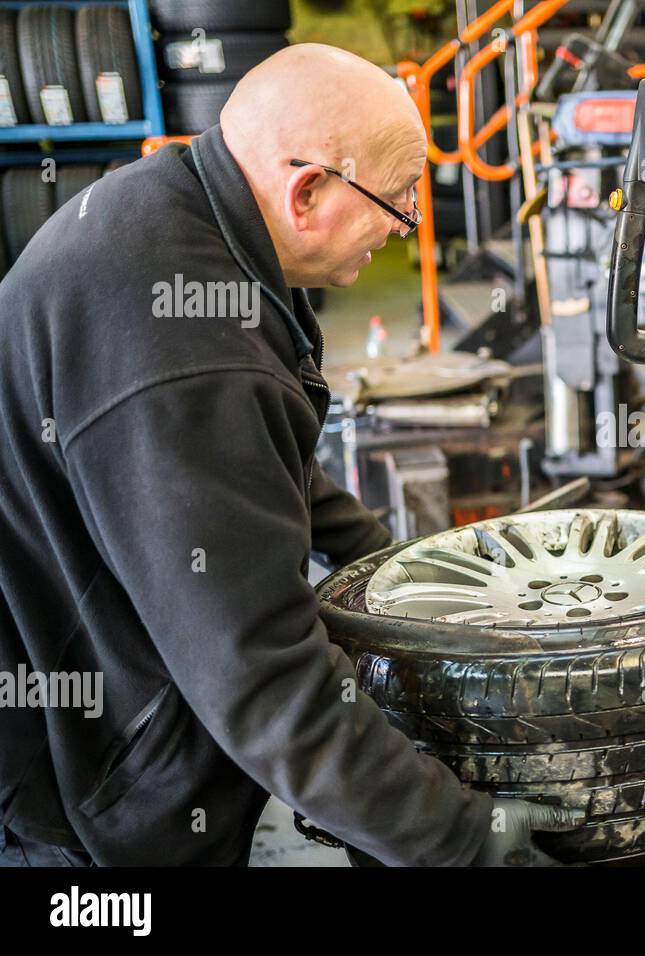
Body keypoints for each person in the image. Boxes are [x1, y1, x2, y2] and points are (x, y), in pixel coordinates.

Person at [0, 43, 580, 866]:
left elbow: (262, 467)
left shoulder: (188, 216)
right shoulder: (189, 357)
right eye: (398, 203)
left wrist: (402, 571)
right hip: (78, 777)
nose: (404, 228)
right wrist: (472, 842)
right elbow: (266, 684)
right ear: (307, 191)